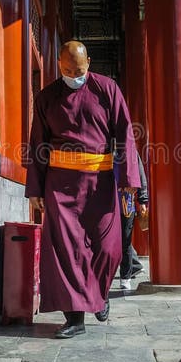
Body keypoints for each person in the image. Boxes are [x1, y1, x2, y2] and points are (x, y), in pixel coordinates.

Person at [25, 40, 140, 338]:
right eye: (66, 69)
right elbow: (38, 144)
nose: (72, 74)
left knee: (109, 246)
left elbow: (125, 133)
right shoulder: (47, 97)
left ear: (88, 62)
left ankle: (98, 295)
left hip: (99, 181)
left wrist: (129, 181)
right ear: (59, 66)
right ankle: (75, 318)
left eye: (77, 69)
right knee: (66, 251)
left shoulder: (107, 89)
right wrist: (35, 188)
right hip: (60, 185)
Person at [118, 152, 148, 290]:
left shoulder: (129, 150)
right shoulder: (101, 144)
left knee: (125, 240)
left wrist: (142, 199)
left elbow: (140, 174)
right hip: (104, 201)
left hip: (125, 201)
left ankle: (125, 277)